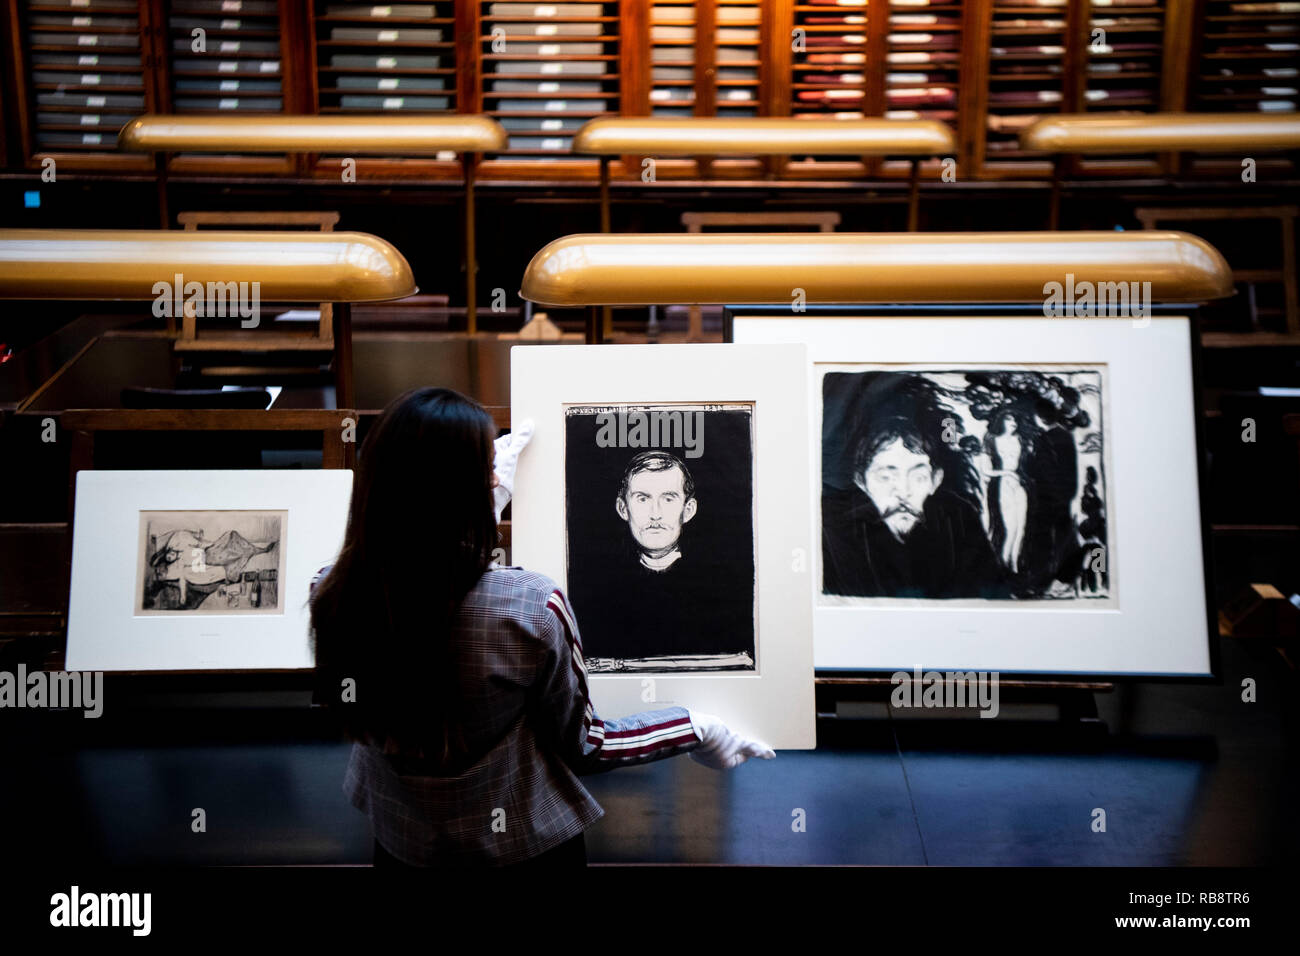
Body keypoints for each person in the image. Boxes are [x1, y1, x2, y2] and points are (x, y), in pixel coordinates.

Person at [308, 387, 772, 869]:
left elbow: (423, 595)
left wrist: (487, 505)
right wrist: (696, 728)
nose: (496, 476)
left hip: (402, 845)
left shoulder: (331, 593)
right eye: (487, 470)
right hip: (523, 852)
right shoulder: (532, 606)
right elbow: (588, 746)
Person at [570, 449, 755, 667]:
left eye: (668, 499)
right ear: (623, 508)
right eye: (642, 498)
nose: (655, 514)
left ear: (688, 510)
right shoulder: (596, 593)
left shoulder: (724, 589)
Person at [823, 416, 1004, 599]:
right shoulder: (835, 532)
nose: (903, 492)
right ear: (862, 482)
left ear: (935, 481)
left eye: (918, 477)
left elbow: (991, 594)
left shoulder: (960, 521)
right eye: (885, 477)